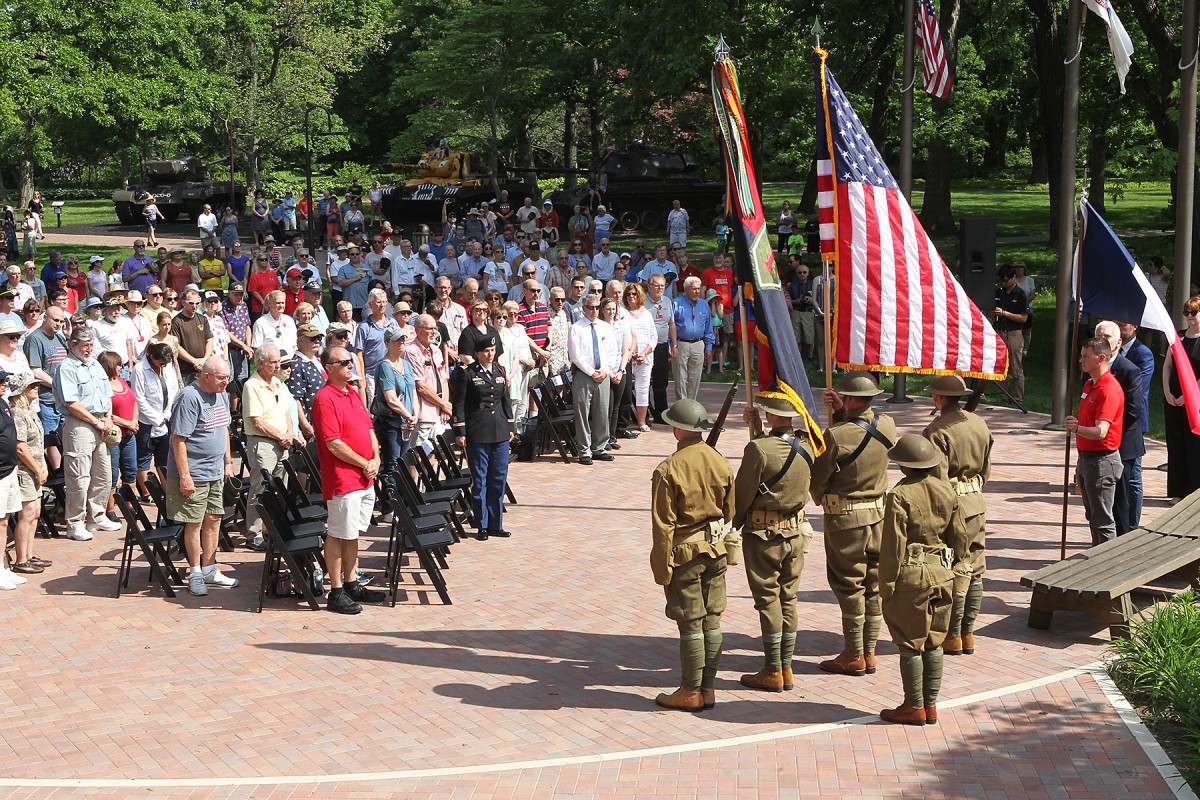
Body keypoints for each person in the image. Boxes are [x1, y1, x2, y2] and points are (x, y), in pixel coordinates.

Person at [650, 398, 735, 711]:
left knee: (690, 622)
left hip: (686, 553)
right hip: (716, 549)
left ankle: (689, 691)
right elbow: (730, 510)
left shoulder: (668, 468)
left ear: (677, 428)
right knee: (712, 621)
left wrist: (662, 569)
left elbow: (663, 526)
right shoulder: (720, 461)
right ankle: (708, 689)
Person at [809, 371, 896, 676]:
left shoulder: (836, 435)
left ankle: (853, 653)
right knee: (873, 585)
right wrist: (843, 413)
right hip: (879, 518)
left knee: (849, 586)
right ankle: (869, 652)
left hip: (846, 521)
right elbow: (862, 431)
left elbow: (818, 480)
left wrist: (820, 497)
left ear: (848, 398)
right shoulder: (888, 424)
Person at [733, 394, 814, 692]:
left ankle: (772, 669)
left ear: (769, 415)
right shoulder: (806, 445)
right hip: (794, 534)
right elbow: (778, 461)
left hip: (763, 535)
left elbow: (744, 491)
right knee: (788, 599)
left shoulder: (758, 448)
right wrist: (757, 431)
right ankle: (786, 667)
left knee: (767, 601)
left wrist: (735, 522)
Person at [877, 435, 959, 726]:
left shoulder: (899, 495)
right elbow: (959, 536)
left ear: (903, 466)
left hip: (912, 575)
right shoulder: (946, 489)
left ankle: (913, 706)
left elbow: (892, 545)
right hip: (942, 572)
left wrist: (886, 584)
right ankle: (931, 705)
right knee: (935, 641)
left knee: (910, 642)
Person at [311, 346, 387, 614]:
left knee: (352, 532)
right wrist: (364, 463)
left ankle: (352, 582)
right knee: (338, 532)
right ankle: (336, 590)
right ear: (329, 368)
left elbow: (369, 429)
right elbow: (333, 443)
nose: (349, 365)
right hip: (343, 478)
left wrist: (375, 457)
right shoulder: (324, 398)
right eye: (343, 362)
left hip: (364, 476)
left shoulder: (352, 393)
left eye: (351, 361)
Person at [921, 374, 993, 657]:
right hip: (976, 499)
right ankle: (968, 633)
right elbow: (986, 467)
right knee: (976, 567)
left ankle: (951, 635)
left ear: (939, 398)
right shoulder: (978, 422)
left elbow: (936, 480)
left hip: (953, 503)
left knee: (955, 566)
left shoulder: (937, 431)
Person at [167, 356, 237, 596]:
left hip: (216, 471)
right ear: (206, 376)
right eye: (221, 377)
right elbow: (178, 440)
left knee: (215, 518)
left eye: (227, 376)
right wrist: (185, 476)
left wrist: (227, 462)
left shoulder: (222, 396)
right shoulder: (189, 397)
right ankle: (195, 571)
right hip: (194, 473)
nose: (226, 381)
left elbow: (224, 429)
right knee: (194, 522)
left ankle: (210, 568)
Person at [53, 327, 121, 541]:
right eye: (85, 345)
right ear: (72, 345)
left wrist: (108, 417)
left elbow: (107, 394)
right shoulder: (66, 367)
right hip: (80, 424)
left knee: (103, 474)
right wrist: (95, 421)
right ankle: (75, 523)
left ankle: (97, 517)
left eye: (91, 344)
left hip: (101, 421)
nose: (89, 349)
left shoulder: (95, 365)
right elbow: (72, 403)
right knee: (79, 477)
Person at [451, 334, 515, 539]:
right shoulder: (467, 373)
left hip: (499, 432)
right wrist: (460, 431)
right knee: (479, 481)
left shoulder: (499, 371)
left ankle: (496, 523)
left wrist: (510, 424)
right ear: (477, 353)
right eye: (486, 351)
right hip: (477, 432)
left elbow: (505, 399)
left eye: (492, 351)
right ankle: (482, 524)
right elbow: (459, 403)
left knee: (498, 478)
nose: (490, 354)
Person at [1065, 337, 1125, 546]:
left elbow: (1101, 431)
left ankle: (1108, 568)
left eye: (1085, 356)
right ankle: (1096, 558)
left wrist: (1077, 428)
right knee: (1092, 516)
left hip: (1102, 461)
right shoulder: (1090, 384)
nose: (1080, 360)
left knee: (1102, 520)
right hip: (1086, 459)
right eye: (1081, 355)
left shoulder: (1108, 389)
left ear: (1100, 358)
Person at [241, 344, 294, 551]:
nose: (278, 365)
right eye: (273, 362)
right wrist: (281, 436)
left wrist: (289, 432)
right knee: (260, 489)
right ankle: (254, 534)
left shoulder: (277, 382)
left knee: (281, 488)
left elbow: (286, 411)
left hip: (282, 441)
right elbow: (256, 421)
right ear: (261, 363)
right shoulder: (251, 385)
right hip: (263, 442)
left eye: (278, 361)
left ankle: (273, 528)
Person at [1095, 322, 1145, 537]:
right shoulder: (1092, 367)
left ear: (1118, 343)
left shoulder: (1128, 370)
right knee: (1103, 497)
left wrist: (1106, 428)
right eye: (1098, 335)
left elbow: (1133, 410)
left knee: (1124, 496)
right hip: (1099, 442)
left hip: (1123, 441)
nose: (1101, 340)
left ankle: (1127, 537)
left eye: (1106, 336)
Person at [567, 295, 620, 465]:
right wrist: (592, 372)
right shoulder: (576, 328)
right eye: (591, 307)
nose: (595, 311)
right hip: (584, 374)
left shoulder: (605, 327)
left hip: (603, 374)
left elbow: (613, 352)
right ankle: (584, 450)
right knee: (582, 412)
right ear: (584, 309)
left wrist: (605, 371)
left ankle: (599, 447)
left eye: (597, 307)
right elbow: (576, 356)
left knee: (602, 411)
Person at [9, 372, 49, 577]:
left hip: (36, 470)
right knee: (26, 514)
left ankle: (30, 554)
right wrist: (36, 468)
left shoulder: (30, 411)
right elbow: (20, 447)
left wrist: (43, 466)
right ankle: (21, 559)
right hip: (26, 471)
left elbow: (37, 443)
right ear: (21, 391)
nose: (36, 388)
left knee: (36, 513)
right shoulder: (17, 413)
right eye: (31, 386)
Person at [1117, 321, 1155, 528]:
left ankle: (1132, 525)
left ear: (1136, 327)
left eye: (1127, 321)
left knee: (1133, 476)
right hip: (1111, 421)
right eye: (1118, 320)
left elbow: (1137, 390)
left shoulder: (1143, 354)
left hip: (1133, 421)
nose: (1122, 324)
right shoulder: (1112, 351)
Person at [1163, 296, 1200, 500]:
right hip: (1174, 399)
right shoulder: (1178, 338)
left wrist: (1188, 397)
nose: (1189, 317)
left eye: (1193, 313)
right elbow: (1168, 366)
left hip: (1195, 401)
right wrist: (1167, 391)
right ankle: (1177, 491)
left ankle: (1194, 491)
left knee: (1193, 445)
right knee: (1175, 443)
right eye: (1186, 313)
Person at [132, 341, 179, 494]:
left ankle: (166, 491)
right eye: (160, 363)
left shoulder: (168, 366)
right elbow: (139, 398)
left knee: (164, 457)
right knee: (144, 457)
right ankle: (146, 493)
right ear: (152, 357)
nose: (163, 367)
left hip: (166, 417)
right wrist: (156, 418)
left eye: (166, 364)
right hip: (146, 421)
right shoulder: (139, 369)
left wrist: (166, 414)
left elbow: (173, 390)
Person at [372, 326, 416, 474]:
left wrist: (415, 415)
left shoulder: (407, 365)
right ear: (387, 343)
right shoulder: (385, 366)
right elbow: (391, 399)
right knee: (393, 464)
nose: (401, 343)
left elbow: (413, 391)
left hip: (406, 423)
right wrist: (408, 416)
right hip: (391, 422)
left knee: (403, 464)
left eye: (403, 339)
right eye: (396, 340)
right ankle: (390, 496)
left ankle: (403, 496)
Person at [404, 313, 452, 449]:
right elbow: (420, 386)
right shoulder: (411, 351)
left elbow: (444, 380)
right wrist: (443, 404)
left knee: (433, 453)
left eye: (435, 328)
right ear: (417, 330)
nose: (434, 332)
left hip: (439, 411)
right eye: (429, 328)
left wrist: (445, 406)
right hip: (423, 413)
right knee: (418, 456)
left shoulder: (436, 350)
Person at [672, 276, 714, 401]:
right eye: (693, 289)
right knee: (680, 377)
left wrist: (709, 346)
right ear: (685, 290)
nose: (697, 291)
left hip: (698, 344)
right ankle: (682, 406)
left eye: (698, 289)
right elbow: (671, 326)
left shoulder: (704, 304)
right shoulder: (676, 303)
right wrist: (671, 345)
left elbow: (708, 326)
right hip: (681, 343)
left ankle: (691, 404)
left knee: (695, 378)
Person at [993, 265, 1029, 405]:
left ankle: (1018, 397)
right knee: (1001, 365)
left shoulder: (1020, 294)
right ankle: (1004, 395)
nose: (1004, 283)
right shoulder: (998, 293)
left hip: (1014, 333)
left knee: (1016, 367)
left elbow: (1023, 318)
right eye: (1001, 280)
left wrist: (1004, 313)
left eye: (1006, 280)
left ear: (1014, 278)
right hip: (999, 331)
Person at [645, 275, 676, 423]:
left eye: (662, 286)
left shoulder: (668, 302)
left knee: (661, 382)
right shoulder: (641, 302)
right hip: (645, 349)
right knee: (643, 382)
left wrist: (674, 344)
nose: (660, 288)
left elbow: (671, 324)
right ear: (649, 286)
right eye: (657, 285)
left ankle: (661, 414)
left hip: (662, 346)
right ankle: (643, 414)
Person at [170, 288, 213, 383]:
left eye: (197, 303)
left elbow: (209, 340)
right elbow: (176, 346)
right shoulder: (176, 321)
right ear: (183, 303)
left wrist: (204, 360)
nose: (195, 306)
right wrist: (194, 361)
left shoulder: (203, 319)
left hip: (203, 367)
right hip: (186, 370)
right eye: (191, 303)